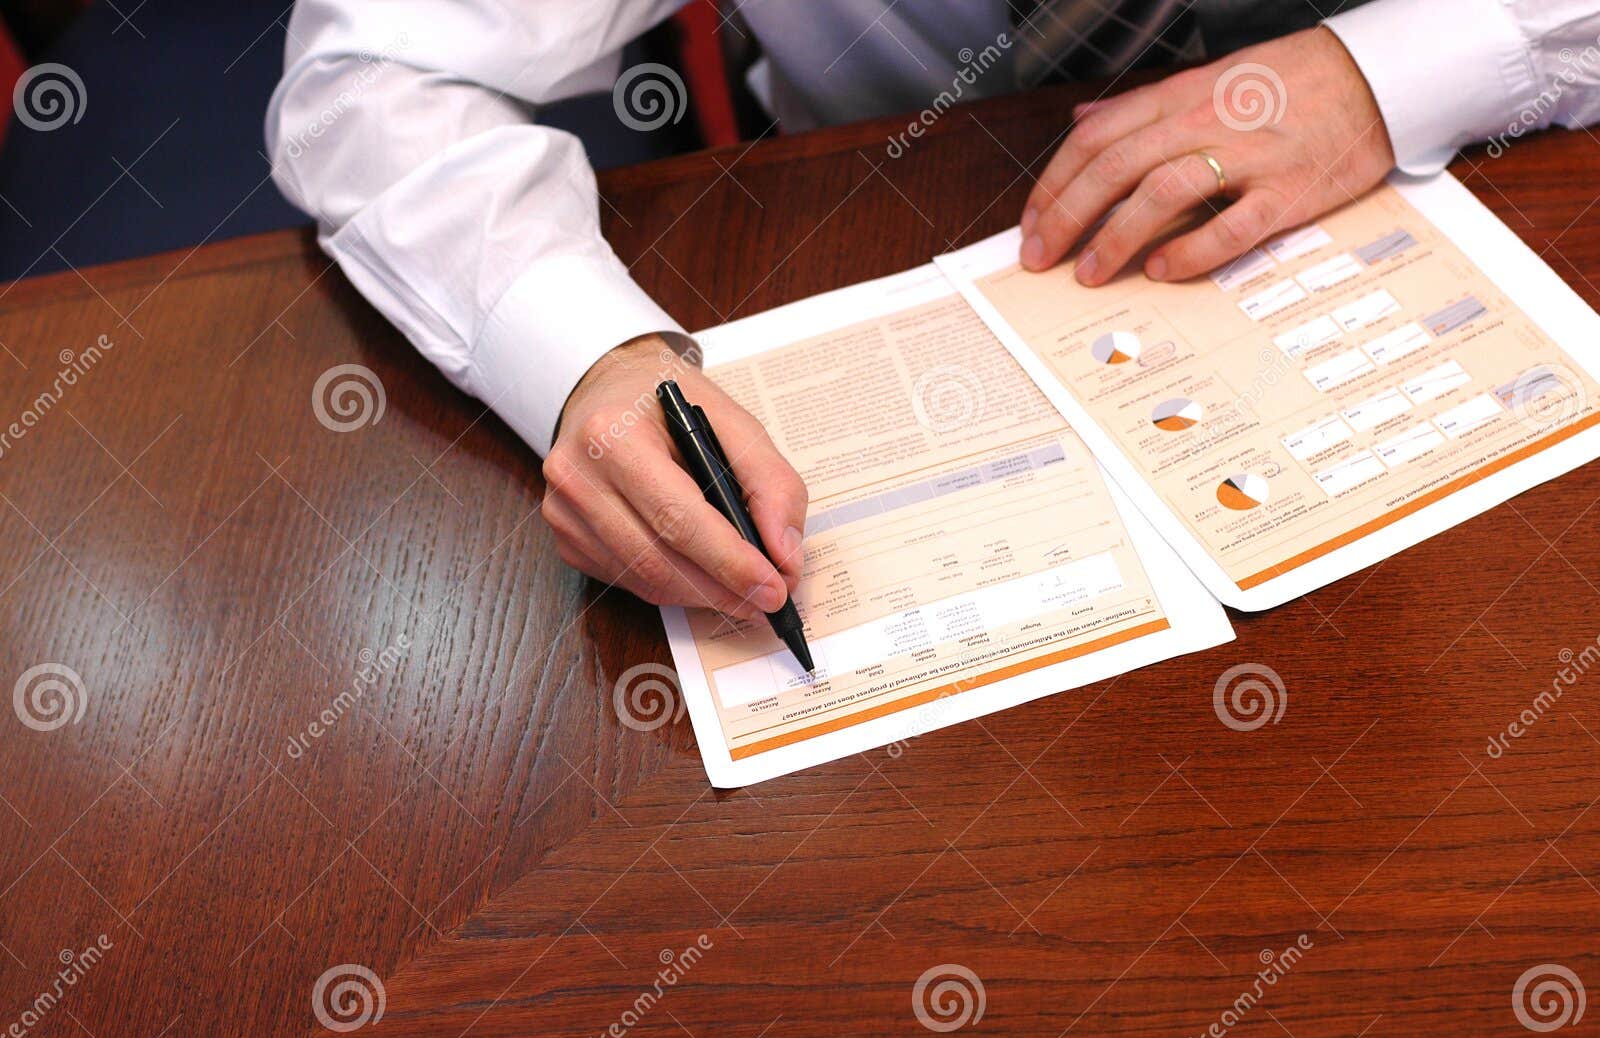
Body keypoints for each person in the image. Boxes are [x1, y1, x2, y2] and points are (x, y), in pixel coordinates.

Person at [267, 1, 1600, 621]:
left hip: (1463, 215)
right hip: (870, 213)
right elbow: (377, 69)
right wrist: (590, 358)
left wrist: (1400, 66)